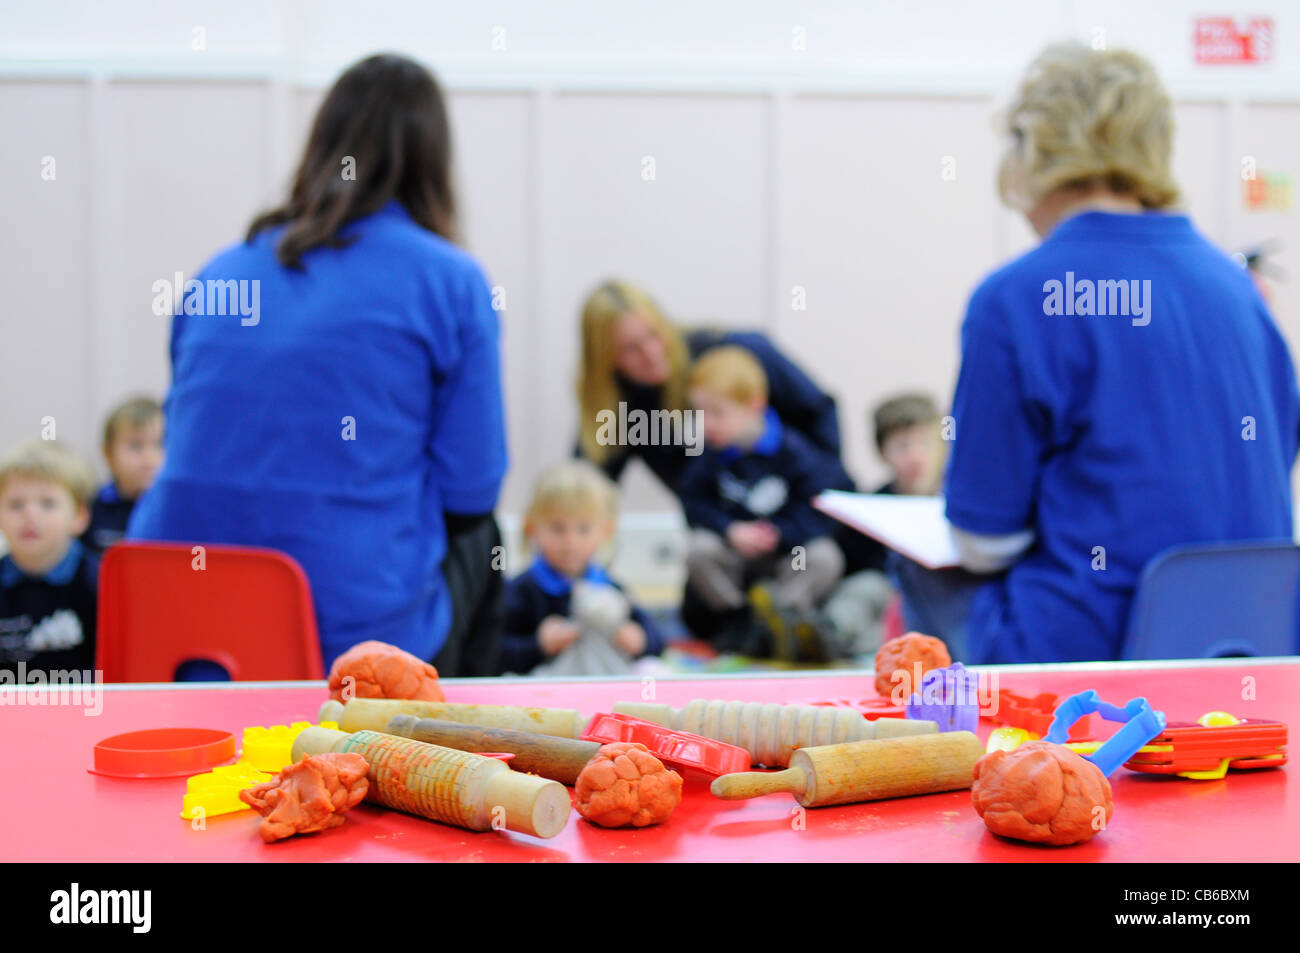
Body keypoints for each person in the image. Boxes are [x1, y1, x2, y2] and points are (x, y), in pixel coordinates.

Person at [899, 44, 1300, 664]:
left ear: (1030, 154)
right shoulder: (1240, 292)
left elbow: (984, 541)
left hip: (1089, 661)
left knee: (916, 568)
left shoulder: (1015, 298)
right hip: (1250, 659)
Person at [128, 54, 508, 675]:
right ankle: (456, 747)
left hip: (173, 615)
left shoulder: (219, 270)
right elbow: (472, 493)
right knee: (485, 542)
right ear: (432, 159)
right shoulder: (451, 280)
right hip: (349, 633)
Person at [576, 280, 842, 495]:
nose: (652, 353)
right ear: (605, 360)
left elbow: (818, 410)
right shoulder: (619, 405)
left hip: (791, 512)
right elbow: (587, 487)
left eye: (655, 334)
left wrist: (824, 494)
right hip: (719, 527)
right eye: (630, 349)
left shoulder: (737, 352)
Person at [679, 347, 852, 659]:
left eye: (717, 413)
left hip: (784, 557)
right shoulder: (708, 455)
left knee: (825, 556)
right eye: (699, 414)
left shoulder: (795, 452)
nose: (706, 425)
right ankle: (740, 620)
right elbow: (694, 502)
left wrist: (778, 533)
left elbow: (816, 511)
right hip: (736, 559)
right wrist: (730, 529)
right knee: (699, 548)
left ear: (754, 406)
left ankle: (781, 618)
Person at [499, 461, 664, 676]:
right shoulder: (521, 590)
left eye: (583, 529)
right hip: (546, 693)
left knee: (653, 671)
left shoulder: (609, 587)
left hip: (603, 688)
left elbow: (657, 640)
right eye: (558, 528)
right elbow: (493, 653)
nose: (571, 542)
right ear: (532, 528)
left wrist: (639, 640)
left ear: (605, 531)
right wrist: (538, 645)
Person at [823, 393, 947, 657]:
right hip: (884, 594)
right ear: (883, 452)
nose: (915, 456)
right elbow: (851, 558)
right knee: (863, 591)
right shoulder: (874, 504)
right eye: (902, 446)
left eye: (925, 444)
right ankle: (826, 634)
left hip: (938, 595)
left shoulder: (953, 500)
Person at [0, 442, 100, 679]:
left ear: (79, 517)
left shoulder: (98, 581)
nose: (30, 515)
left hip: (85, 708)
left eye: (47, 503)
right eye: (16, 505)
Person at [82, 396, 164, 557]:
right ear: (109, 454)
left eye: (159, 445)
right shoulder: (93, 507)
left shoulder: (171, 507)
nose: (149, 458)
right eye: (136, 446)